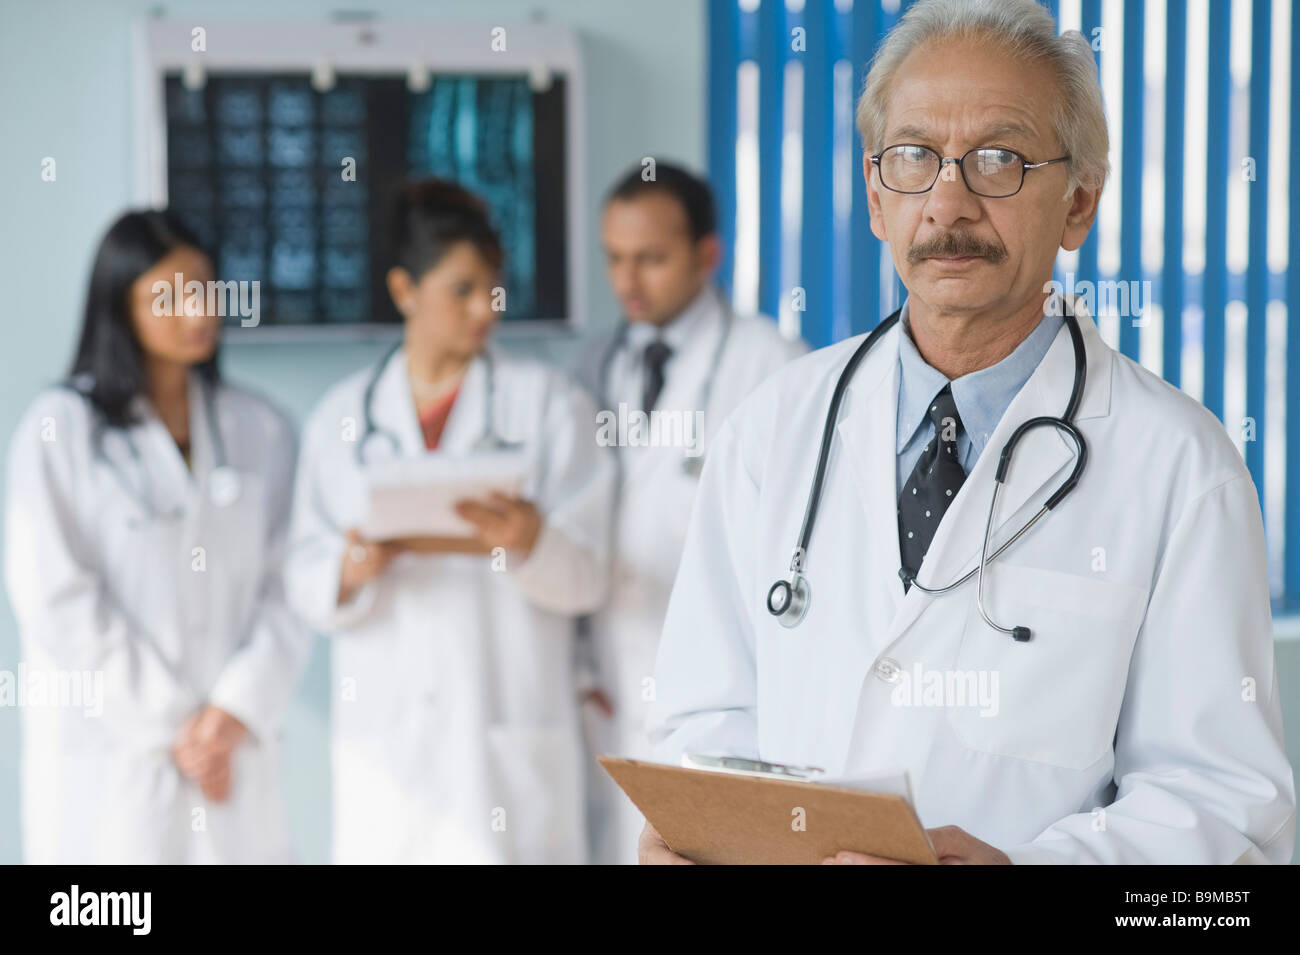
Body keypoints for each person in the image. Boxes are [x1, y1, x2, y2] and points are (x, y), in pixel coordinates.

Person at [641, 0, 1295, 864]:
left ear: (1079, 202)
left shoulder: (1179, 466)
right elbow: (698, 721)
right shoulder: (771, 429)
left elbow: (1220, 808)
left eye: (1000, 159)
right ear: (877, 197)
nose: (949, 199)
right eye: (914, 156)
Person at [285, 178, 615, 864]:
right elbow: (303, 574)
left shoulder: (548, 405)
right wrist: (349, 569)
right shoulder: (342, 418)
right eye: (461, 289)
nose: (483, 309)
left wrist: (531, 542)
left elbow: (588, 577)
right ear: (405, 290)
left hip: (507, 741)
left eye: (492, 288)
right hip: (390, 755)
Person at [4, 210, 309, 863]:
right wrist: (178, 724)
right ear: (119, 306)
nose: (197, 308)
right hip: (115, 763)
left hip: (233, 754)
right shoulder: (59, 432)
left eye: (205, 287)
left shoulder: (262, 429)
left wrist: (231, 712)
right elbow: (57, 599)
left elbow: (290, 586)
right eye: (169, 295)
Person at [573, 163, 806, 864]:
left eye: (651, 258)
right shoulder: (597, 366)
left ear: (708, 254)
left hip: (725, 690)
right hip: (609, 674)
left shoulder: (773, 365)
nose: (627, 280)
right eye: (614, 258)